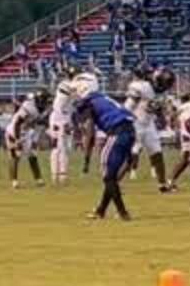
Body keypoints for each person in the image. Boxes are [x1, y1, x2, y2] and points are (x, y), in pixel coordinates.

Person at [57, 72, 136, 221]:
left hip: (117, 132)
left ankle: (122, 213)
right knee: (110, 176)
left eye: (76, 90)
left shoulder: (89, 102)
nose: (74, 93)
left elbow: (90, 132)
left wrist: (86, 158)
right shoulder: (101, 98)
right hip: (129, 131)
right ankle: (101, 210)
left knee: (108, 177)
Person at [123, 70, 172, 191]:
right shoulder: (143, 87)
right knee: (131, 156)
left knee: (157, 154)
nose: (166, 87)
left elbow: (158, 108)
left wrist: (163, 120)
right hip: (136, 123)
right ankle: (115, 182)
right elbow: (128, 107)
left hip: (149, 124)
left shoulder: (162, 93)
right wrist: (126, 122)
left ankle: (162, 184)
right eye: (165, 83)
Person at [3, 90, 49, 189]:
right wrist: (17, 140)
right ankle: (14, 181)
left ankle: (39, 180)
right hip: (14, 132)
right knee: (16, 155)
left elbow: (38, 126)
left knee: (33, 156)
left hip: (28, 132)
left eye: (45, 100)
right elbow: (17, 123)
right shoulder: (28, 106)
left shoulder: (43, 110)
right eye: (42, 100)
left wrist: (35, 141)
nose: (44, 102)